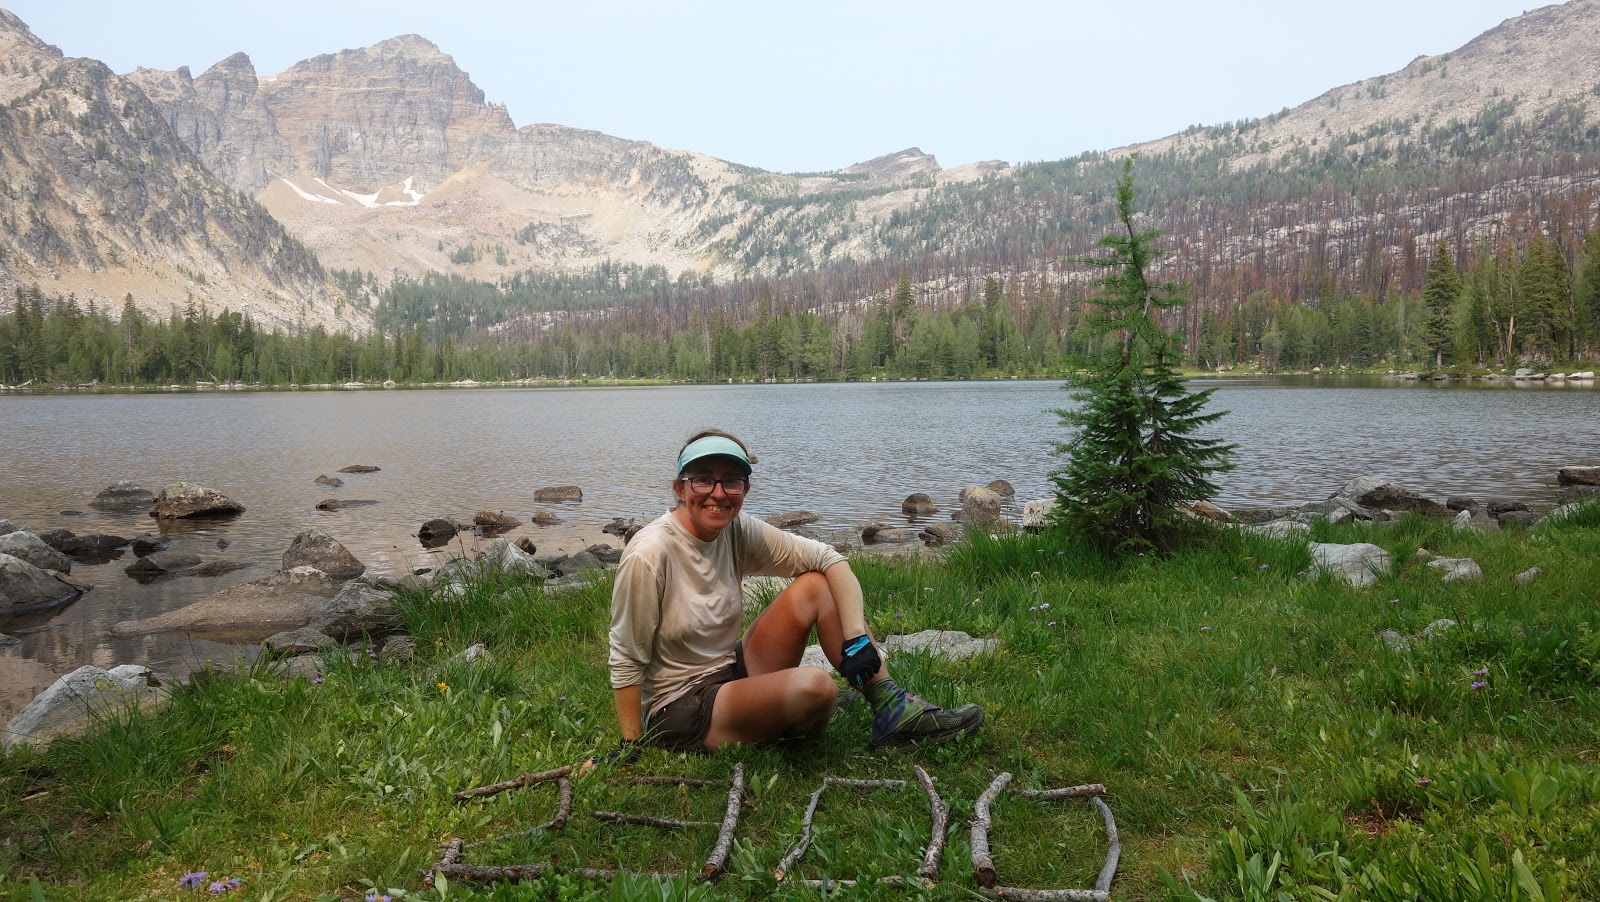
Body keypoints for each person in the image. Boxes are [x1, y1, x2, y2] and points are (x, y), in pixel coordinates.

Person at [594, 429, 983, 765]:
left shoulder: (735, 530)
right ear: (680, 488)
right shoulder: (650, 553)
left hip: (730, 670)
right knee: (818, 689)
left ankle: (891, 706)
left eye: (731, 481)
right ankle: (792, 706)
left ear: (745, 490)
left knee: (816, 584)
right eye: (702, 480)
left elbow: (830, 559)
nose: (718, 493)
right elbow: (626, 656)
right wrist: (630, 746)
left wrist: (856, 638)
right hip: (677, 706)